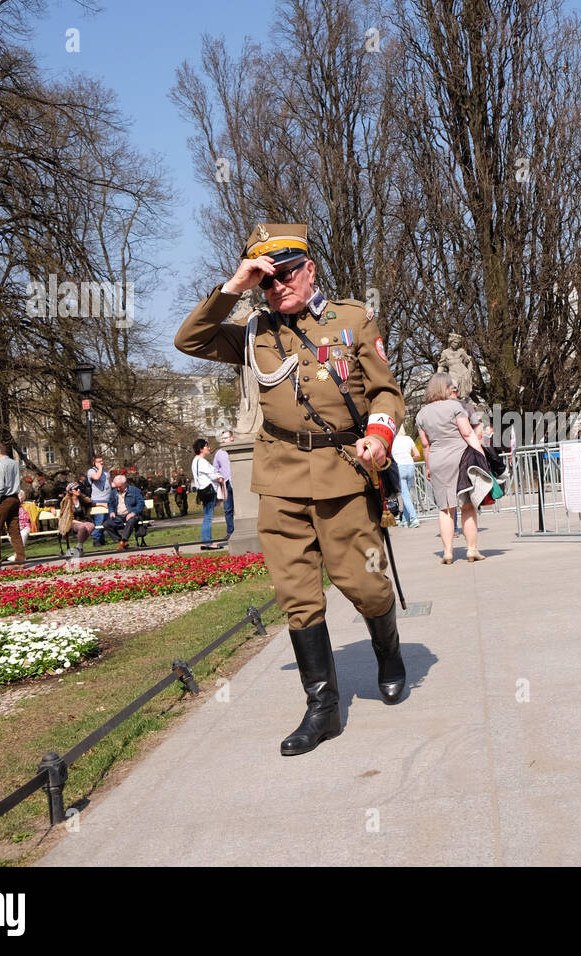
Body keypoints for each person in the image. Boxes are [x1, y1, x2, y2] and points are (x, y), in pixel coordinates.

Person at [175, 221, 407, 757]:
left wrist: (377, 436)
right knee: (297, 597)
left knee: (366, 585)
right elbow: (190, 339)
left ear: (309, 270)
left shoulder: (350, 320)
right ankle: (322, 707)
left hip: (342, 474)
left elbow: (387, 394)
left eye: (282, 275)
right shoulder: (255, 331)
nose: (275, 286)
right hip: (279, 477)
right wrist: (234, 286)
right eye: (266, 280)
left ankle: (388, 649)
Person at [417, 372, 487, 563]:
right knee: (467, 506)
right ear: (445, 388)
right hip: (460, 457)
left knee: (445, 508)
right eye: (451, 387)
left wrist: (428, 467)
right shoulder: (455, 406)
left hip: (438, 460)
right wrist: (481, 454)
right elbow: (467, 433)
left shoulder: (421, 414)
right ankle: (471, 549)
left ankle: (448, 552)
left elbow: (425, 445)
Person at [0, 440, 24, 566]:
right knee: (14, 530)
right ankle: (20, 560)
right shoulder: (14, 463)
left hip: (3, 499)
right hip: (14, 498)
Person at [191, 438, 223, 549]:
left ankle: (205, 541)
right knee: (208, 517)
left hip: (202, 491)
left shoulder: (195, 461)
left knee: (207, 516)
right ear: (201, 449)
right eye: (206, 446)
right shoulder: (201, 461)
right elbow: (212, 475)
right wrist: (219, 478)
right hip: (208, 490)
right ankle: (208, 542)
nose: (208, 448)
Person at [104, 474, 146, 551]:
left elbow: (141, 504)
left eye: (120, 486)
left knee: (131, 520)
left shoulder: (134, 491)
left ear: (125, 483)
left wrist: (133, 512)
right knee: (106, 524)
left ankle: (124, 540)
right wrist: (112, 512)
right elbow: (110, 504)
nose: (118, 489)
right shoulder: (113, 492)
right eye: (117, 487)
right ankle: (121, 541)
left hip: (132, 514)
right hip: (119, 516)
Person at [390, 427, 420, 528]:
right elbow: (417, 455)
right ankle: (405, 520)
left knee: (404, 495)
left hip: (399, 467)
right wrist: (409, 459)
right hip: (410, 466)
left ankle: (414, 518)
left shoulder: (391, 441)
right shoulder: (408, 438)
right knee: (407, 494)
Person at [58, 482, 96, 557]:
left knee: (92, 526)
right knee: (82, 527)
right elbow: (68, 518)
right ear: (70, 491)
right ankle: (79, 548)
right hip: (71, 523)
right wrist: (82, 523)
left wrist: (103, 504)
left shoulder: (82, 499)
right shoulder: (67, 502)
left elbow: (91, 503)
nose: (78, 490)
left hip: (82, 520)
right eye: (76, 489)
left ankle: (79, 546)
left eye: (79, 488)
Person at [213, 430, 236, 539]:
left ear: (232, 438)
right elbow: (215, 469)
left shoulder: (238, 449)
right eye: (222, 438)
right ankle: (230, 532)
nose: (223, 440)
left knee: (241, 509)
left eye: (225, 438)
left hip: (238, 483)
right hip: (226, 484)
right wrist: (219, 477)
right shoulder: (219, 453)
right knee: (228, 509)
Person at [86, 455, 112, 545]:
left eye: (102, 461)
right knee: (99, 521)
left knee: (106, 521)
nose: (101, 463)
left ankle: (102, 539)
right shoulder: (91, 471)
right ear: (94, 463)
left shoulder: (106, 472)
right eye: (99, 461)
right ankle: (96, 539)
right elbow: (96, 477)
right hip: (98, 500)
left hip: (108, 499)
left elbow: (110, 484)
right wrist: (100, 468)